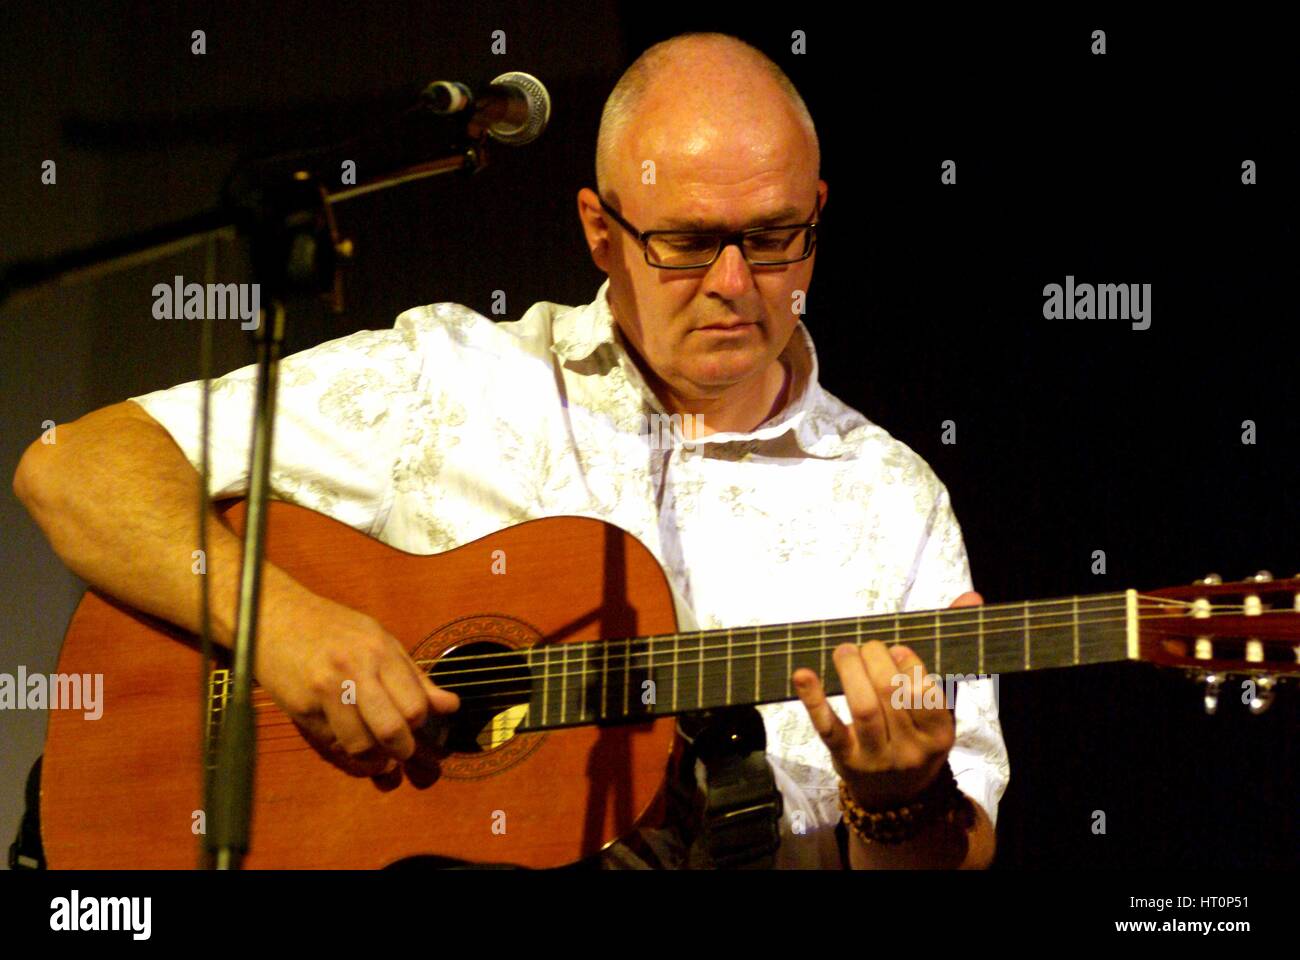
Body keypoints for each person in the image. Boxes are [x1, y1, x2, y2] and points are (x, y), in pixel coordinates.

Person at [14, 32, 1007, 869]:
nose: (735, 283)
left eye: (775, 236)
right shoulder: (450, 375)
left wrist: (899, 797)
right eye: (688, 242)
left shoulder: (890, 498)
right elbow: (71, 468)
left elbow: (952, 859)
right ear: (600, 231)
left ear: (819, 218)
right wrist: (289, 630)